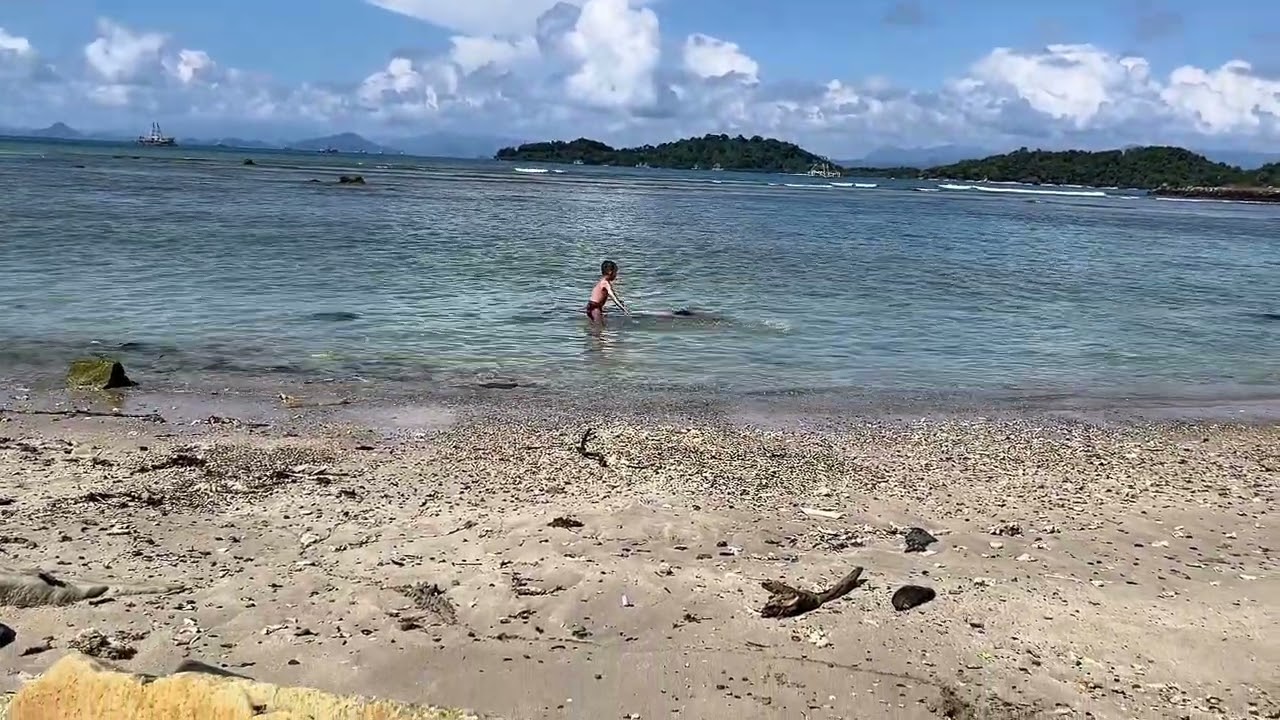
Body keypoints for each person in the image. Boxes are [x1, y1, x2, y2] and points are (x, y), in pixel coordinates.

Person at [586, 259, 630, 324]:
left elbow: (598, 297)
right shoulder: (605, 283)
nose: (616, 275)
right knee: (599, 328)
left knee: (596, 326)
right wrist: (623, 309)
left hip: (591, 306)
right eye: (615, 272)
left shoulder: (601, 282)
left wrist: (619, 302)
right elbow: (613, 297)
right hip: (595, 308)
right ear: (610, 272)